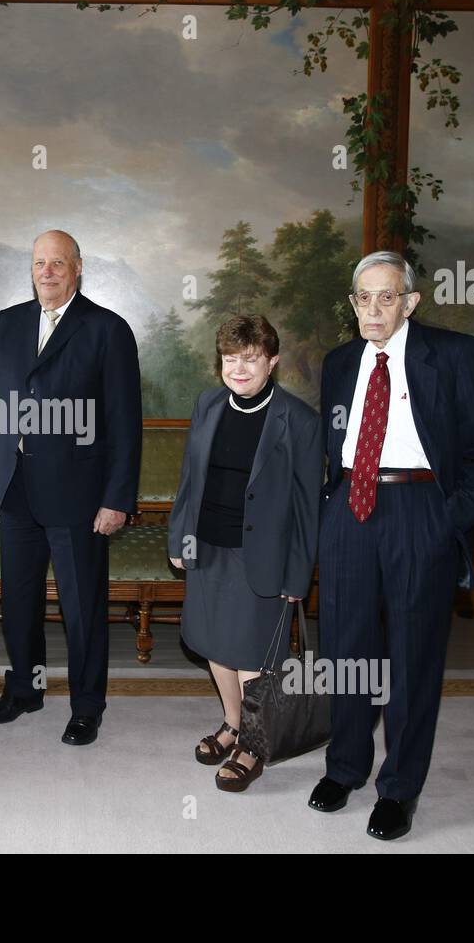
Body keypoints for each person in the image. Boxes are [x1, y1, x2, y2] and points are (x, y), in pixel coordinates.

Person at [308, 250, 474, 839]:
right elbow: (334, 441)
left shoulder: (453, 355)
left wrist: (448, 520)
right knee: (345, 652)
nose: (372, 308)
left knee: (413, 656)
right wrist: (330, 507)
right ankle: (344, 768)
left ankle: (399, 789)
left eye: (386, 296)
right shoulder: (340, 361)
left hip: (419, 508)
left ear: (410, 302)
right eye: (362, 298)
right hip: (349, 509)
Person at [0, 229, 142, 745]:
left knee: (81, 608)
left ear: (78, 267)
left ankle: (87, 705)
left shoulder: (107, 329)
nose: (47, 272)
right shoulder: (9, 321)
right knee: (17, 599)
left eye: (58, 264)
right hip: (16, 487)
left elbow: (125, 422)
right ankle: (24, 688)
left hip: (80, 494)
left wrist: (117, 498)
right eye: (39, 263)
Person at [167, 315, 321, 791]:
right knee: (216, 644)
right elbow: (190, 480)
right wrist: (179, 538)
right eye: (230, 359)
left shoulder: (300, 420)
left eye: (250, 359)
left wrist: (298, 578)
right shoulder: (207, 404)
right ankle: (233, 724)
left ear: (271, 362)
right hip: (208, 545)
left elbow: (306, 507)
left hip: (262, 558)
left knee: (254, 654)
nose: (238, 368)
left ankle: (254, 746)